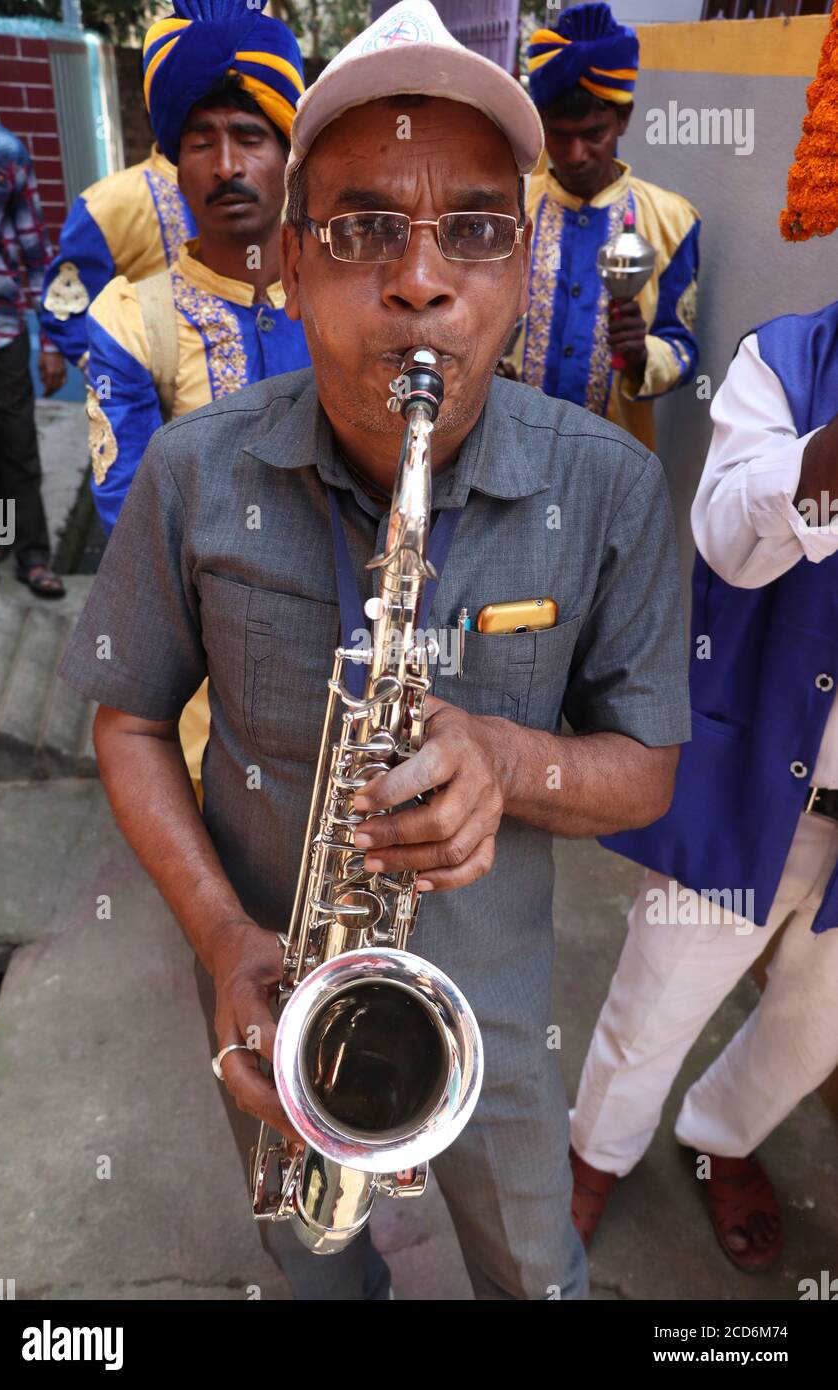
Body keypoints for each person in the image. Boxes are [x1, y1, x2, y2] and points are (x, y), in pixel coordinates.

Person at [57, 0, 690, 1301]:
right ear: (290, 263)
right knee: (315, 1257)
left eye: (472, 229)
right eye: (359, 231)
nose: (419, 278)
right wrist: (224, 935)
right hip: (267, 992)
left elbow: (646, 770)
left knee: (533, 1265)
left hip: (495, 1022)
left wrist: (507, 757)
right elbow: (126, 721)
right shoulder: (190, 470)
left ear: (519, 271)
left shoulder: (613, 487)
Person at [568, 10, 838, 1273]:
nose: (587, 139)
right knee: (655, 998)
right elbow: (731, 538)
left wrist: (643, 347)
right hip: (750, 770)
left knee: (810, 1027)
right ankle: (592, 1154)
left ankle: (722, 1135)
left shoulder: (659, 221)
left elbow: (656, 341)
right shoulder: (786, 366)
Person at [83, 0, 308, 803]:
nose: (225, 164)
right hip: (206, 682)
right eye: (199, 140)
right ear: (173, 162)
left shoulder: (352, 297)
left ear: (290, 155)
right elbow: (133, 522)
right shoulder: (129, 321)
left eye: (251, 136)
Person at [505, 3, 700, 453]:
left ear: (624, 119)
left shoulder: (674, 222)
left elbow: (684, 350)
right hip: (506, 447)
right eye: (558, 135)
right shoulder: (510, 204)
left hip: (610, 461)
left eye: (593, 133)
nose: (574, 154)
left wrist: (641, 355)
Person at [0, 69, 66, 597]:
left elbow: (35, 254)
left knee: (15, 441)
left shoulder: (5, 151)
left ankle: (32, 556)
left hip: (0, 326)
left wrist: (50, 341)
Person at [40, 146, 196, 369]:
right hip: (147, 383)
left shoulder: (249, 193)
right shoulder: (109, 201)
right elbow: (65, 306)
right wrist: (109, 377)